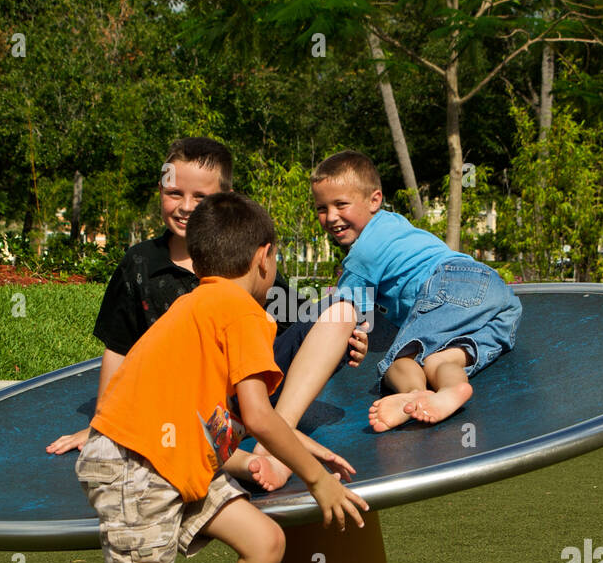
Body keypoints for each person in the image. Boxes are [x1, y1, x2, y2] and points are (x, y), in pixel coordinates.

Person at [59, 192, 367, 563]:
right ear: (264, 257)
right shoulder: (244, 312)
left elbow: (210, 419)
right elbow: (258, 414)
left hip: (161, 460)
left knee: (265, 541)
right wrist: (316, 479)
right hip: (138, 465)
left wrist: (299, 447)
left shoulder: (193, 306)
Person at [46, 138, 366, 489]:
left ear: (222, 199)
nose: (185, 207)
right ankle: (243, 458)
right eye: (174, 193)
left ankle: (278, 435)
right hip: (191, 402)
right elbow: (119, 348)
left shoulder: (249, 263)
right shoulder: (139, 265)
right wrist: (102, 424)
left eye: (199, 197)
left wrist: (345, 335)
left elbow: (301, 321)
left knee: (339, 312)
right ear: (160, 191)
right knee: (178, 420)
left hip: (251, 391)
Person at [309, 149, 522, 431]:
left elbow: (341, 311)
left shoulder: (363, 253)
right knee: (440, 358)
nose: (331, 217)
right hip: (499, 297)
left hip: (449, 283)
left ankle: (412, 396)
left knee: (401, 361)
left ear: (375, 200)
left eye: (341, 204)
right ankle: (452, 388)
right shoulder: (395, 224)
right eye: (322, 209)